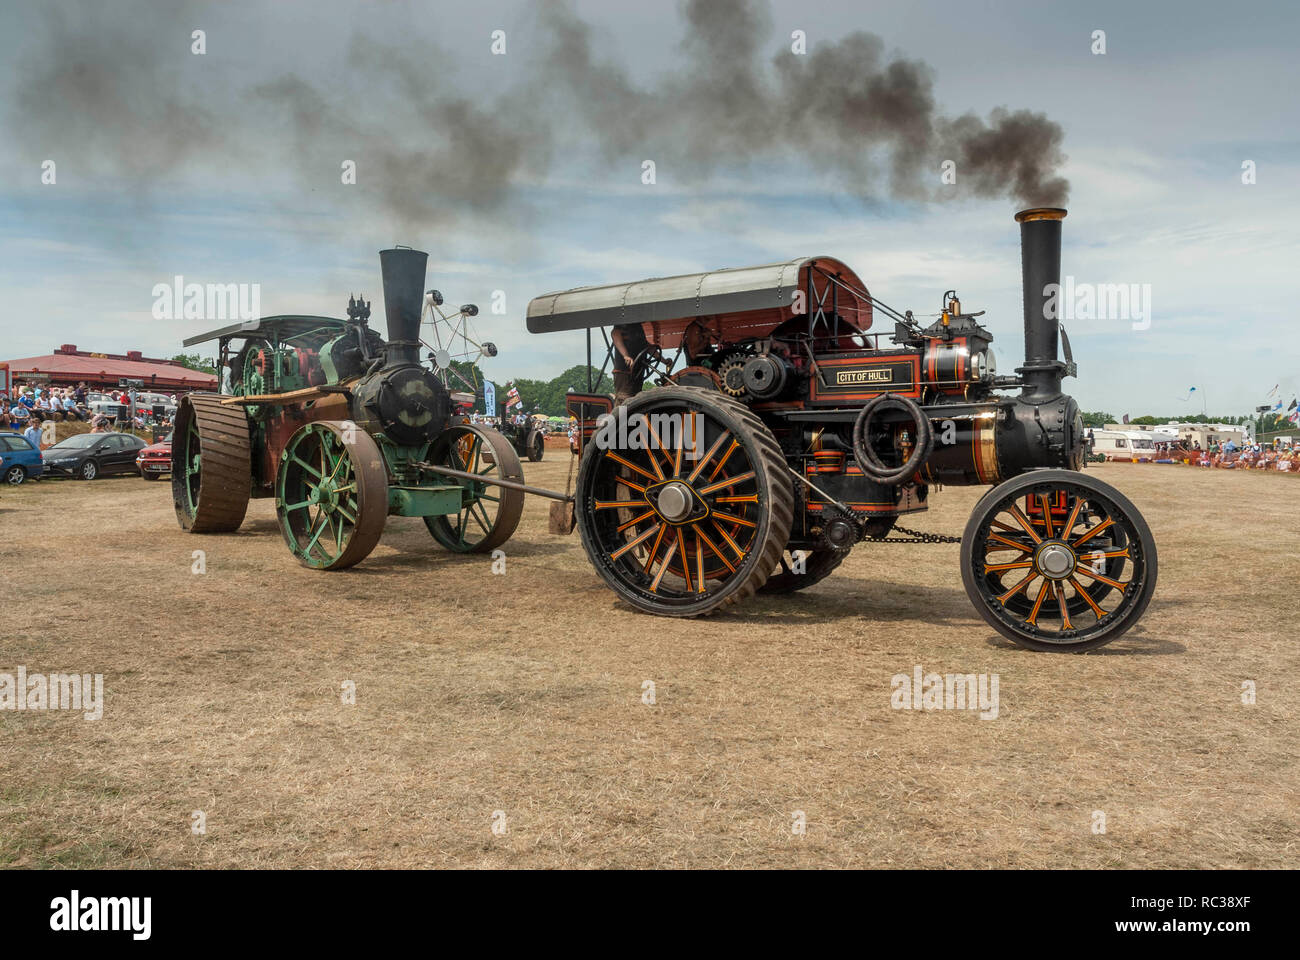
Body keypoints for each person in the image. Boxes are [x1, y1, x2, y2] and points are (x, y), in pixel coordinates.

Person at [611, 321, 650, 407]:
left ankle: (633, 418)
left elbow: (647, 347)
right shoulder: (623, 322)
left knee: (636, 399)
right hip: (624, 372)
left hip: (638, 372)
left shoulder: (637, 327)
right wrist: (625, 355)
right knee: (624, 398)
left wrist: (664, 360)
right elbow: (615, 334)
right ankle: (620, 419)